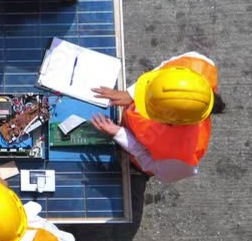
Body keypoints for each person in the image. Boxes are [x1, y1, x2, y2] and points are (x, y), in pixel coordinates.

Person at [91, 52, 226, 183]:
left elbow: (151, 164)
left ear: (169, 121)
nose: (141, 98)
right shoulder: (197, 63)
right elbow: (163, 69)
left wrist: (119, 134)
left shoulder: (184, 162)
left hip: (136, 157)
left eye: (149, 105)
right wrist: (131, 94)